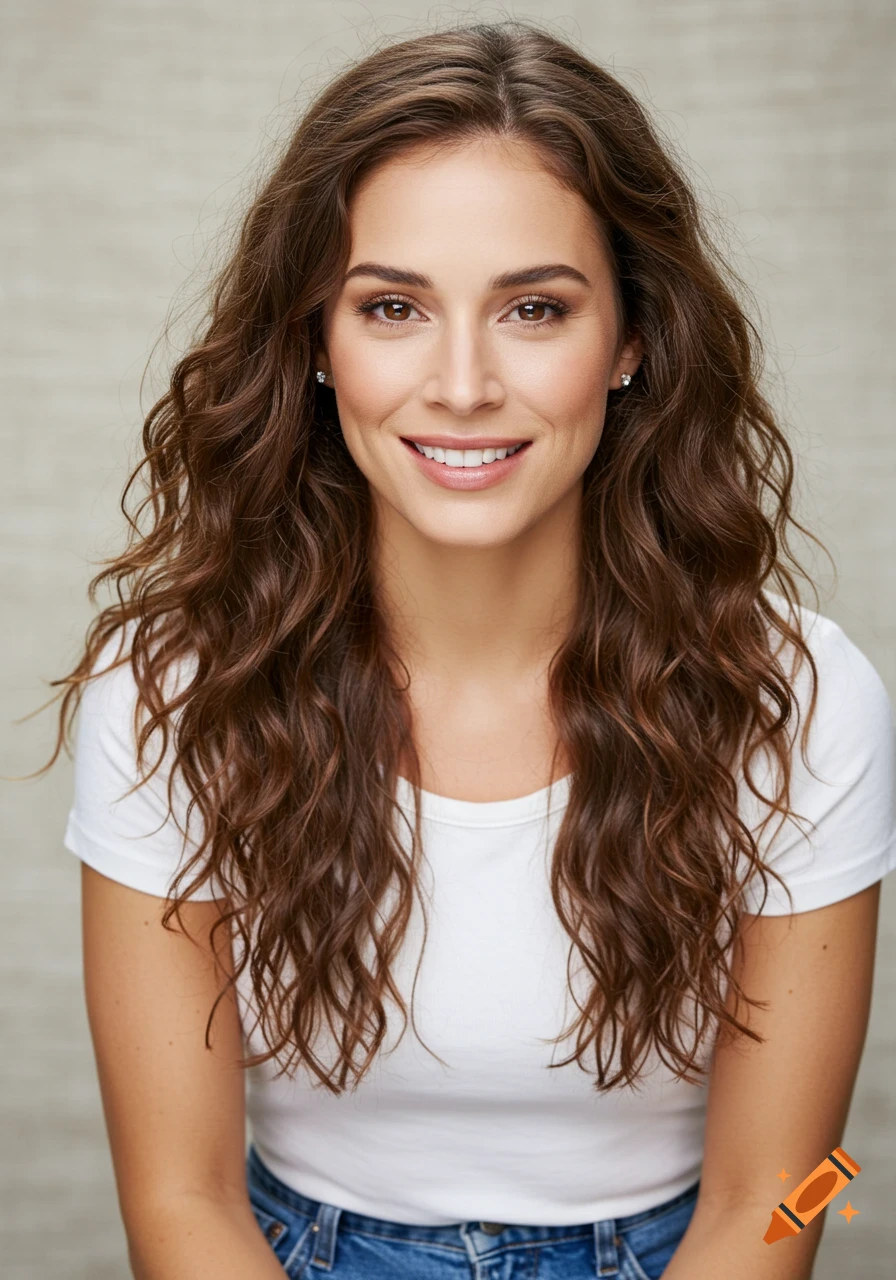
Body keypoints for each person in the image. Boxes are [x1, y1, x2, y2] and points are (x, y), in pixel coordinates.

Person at [41, 20, 895, 1280]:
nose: (459, 382)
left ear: (631, 341)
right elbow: (177, 1198)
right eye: (390, 306)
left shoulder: (804, 699)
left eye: (533, 309)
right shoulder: (173, 687)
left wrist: (790, 1224)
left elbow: (789, 1194)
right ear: (314, 345)